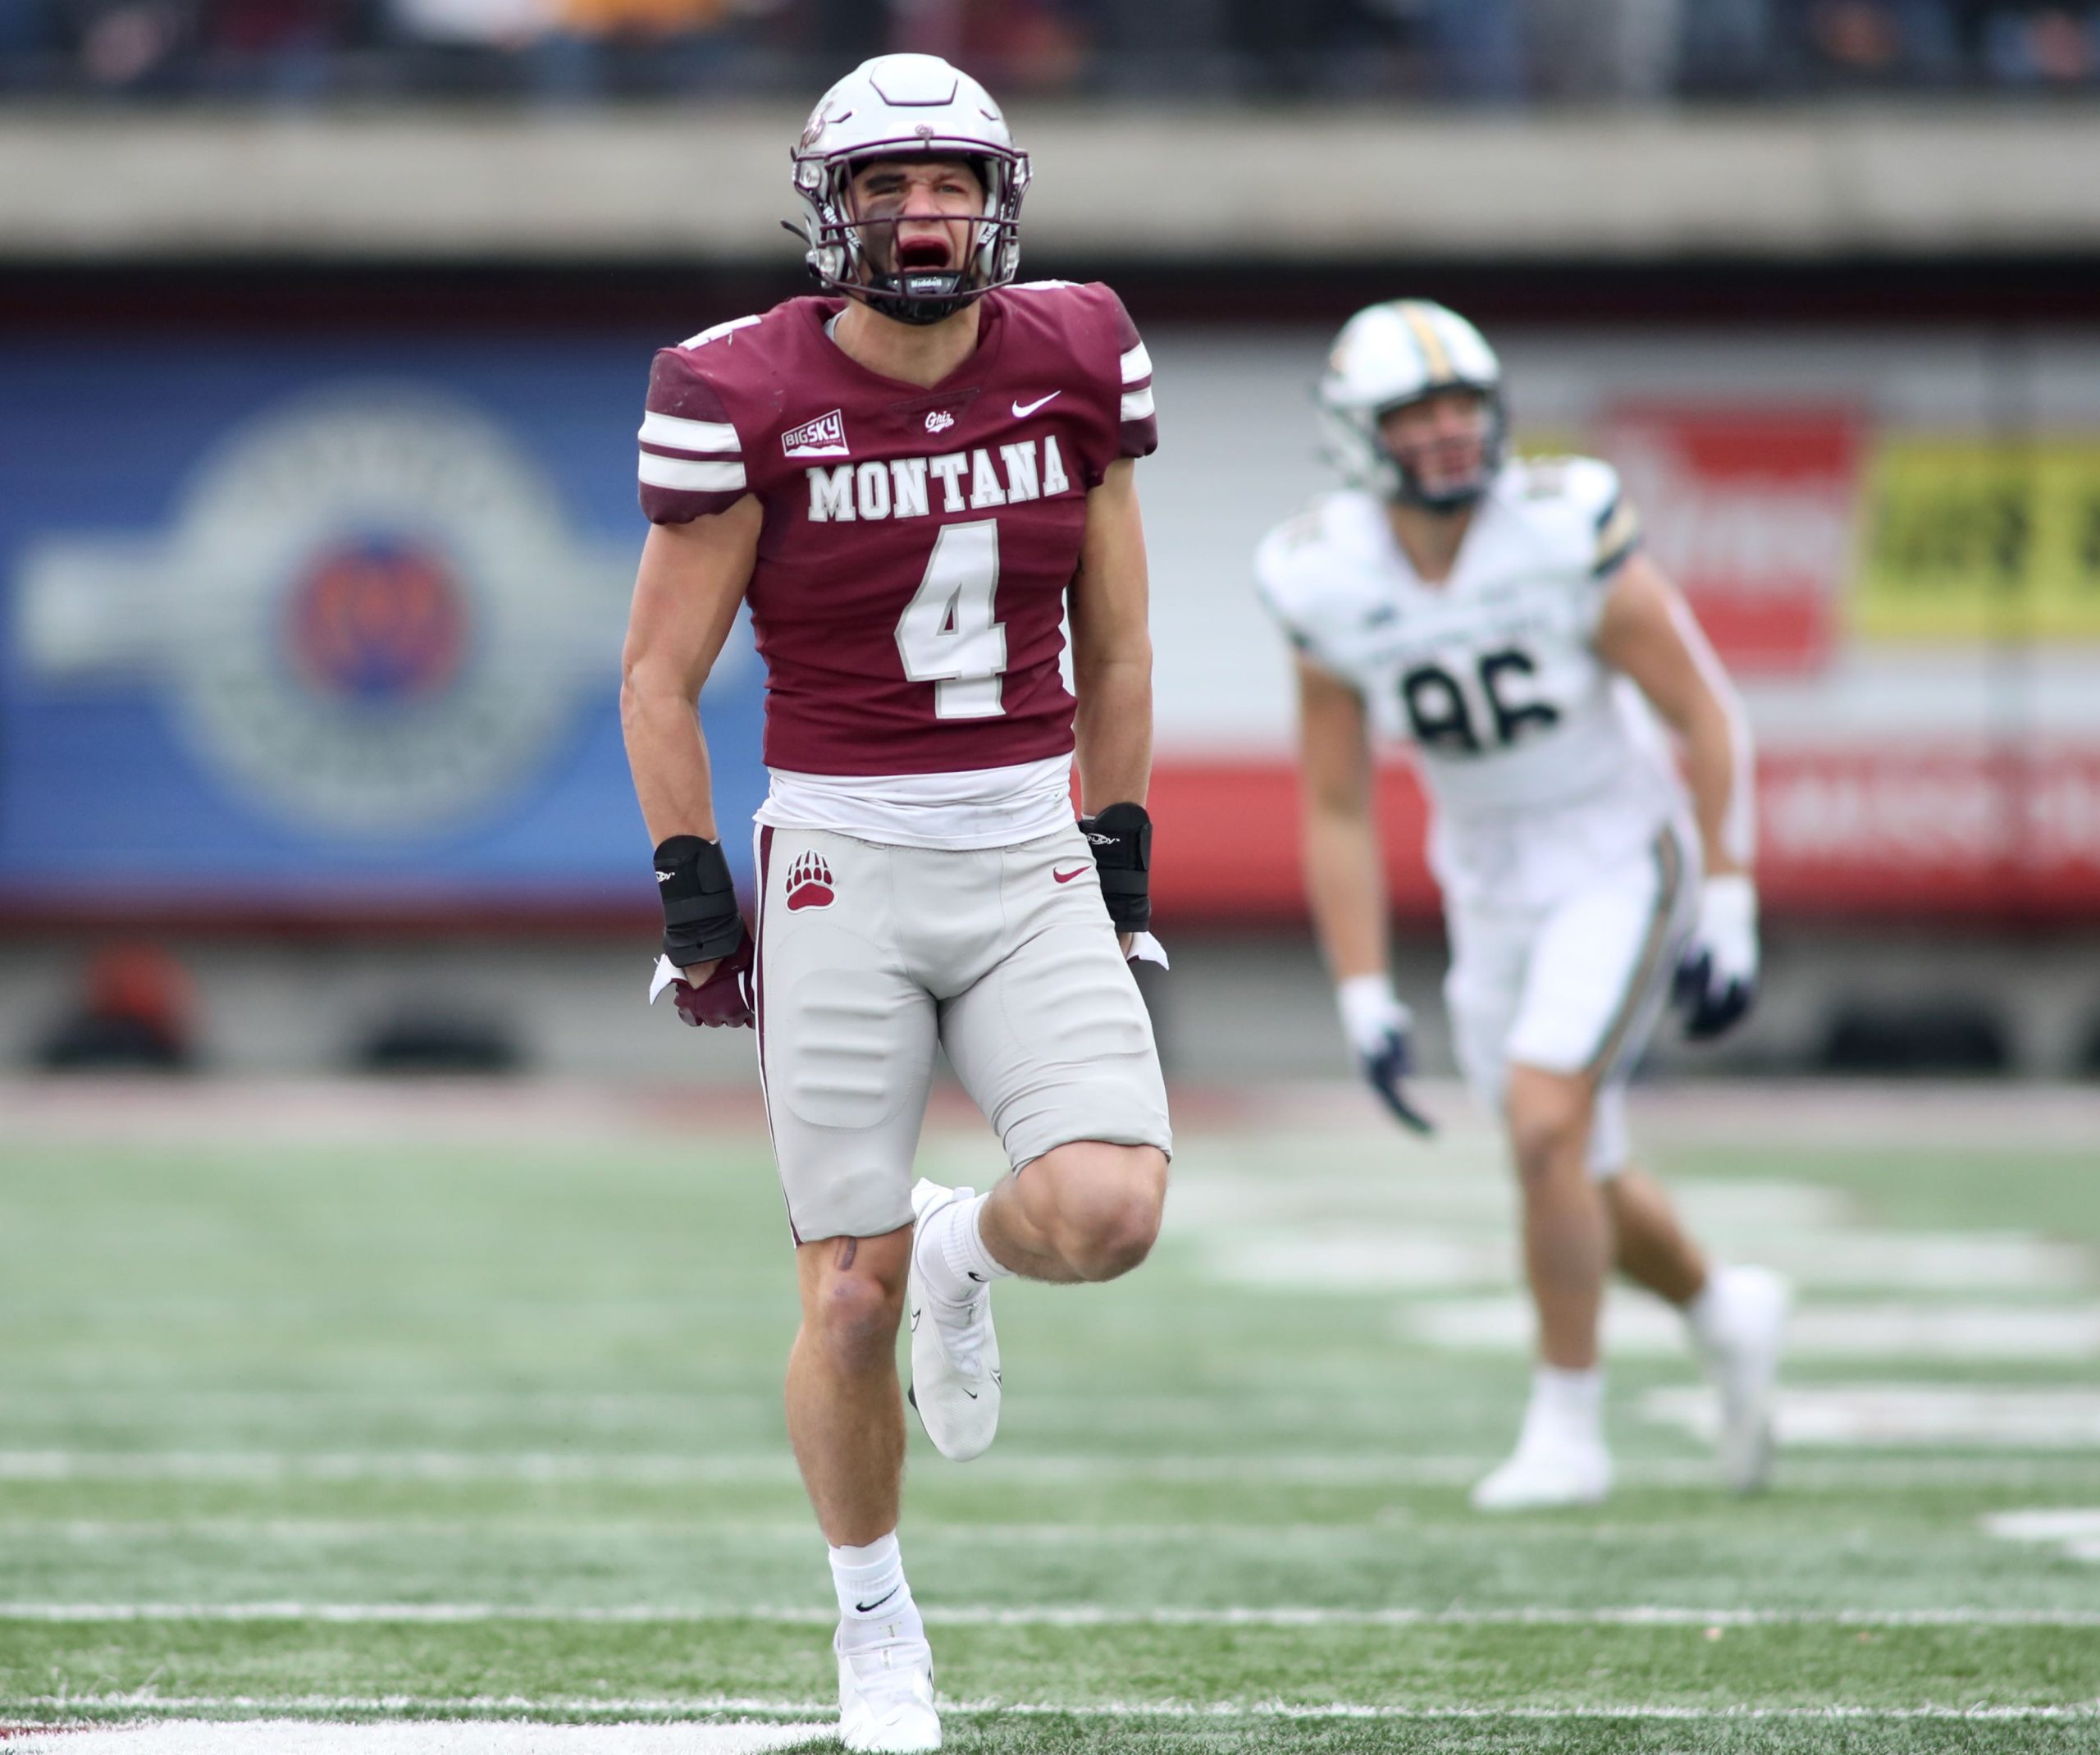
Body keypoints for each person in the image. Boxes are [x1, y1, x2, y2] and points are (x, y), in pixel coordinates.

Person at [618, 53, 1172, 1753]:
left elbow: (1120, 633)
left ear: (994, 200)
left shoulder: (1075, 349)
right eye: (886, 186)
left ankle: (962, 1241)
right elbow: (657, 666)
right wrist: (694, 890)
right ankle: (875, 1627)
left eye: (947, 183)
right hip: (839, 855)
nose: (920, 213)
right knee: (837, 1296)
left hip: (1017, 842)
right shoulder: (738, 387)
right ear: (829, 208)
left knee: (1105, 1209)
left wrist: (1120, 835)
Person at [1253, 299, 1789, 1512]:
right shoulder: (1321, 574)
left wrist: (1732, 898)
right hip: (1487, 881)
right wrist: (1362, 991)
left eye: (1461, 406)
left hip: (1614, 850)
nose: (1448, 433)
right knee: (1571, 1160)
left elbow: (1706, 709)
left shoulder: (1561, 528)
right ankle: (1721, 1306)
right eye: (1416, 413)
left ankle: (1568, 1425)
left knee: (1546, 1124)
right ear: (1357, 435)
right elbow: (1336, 802)